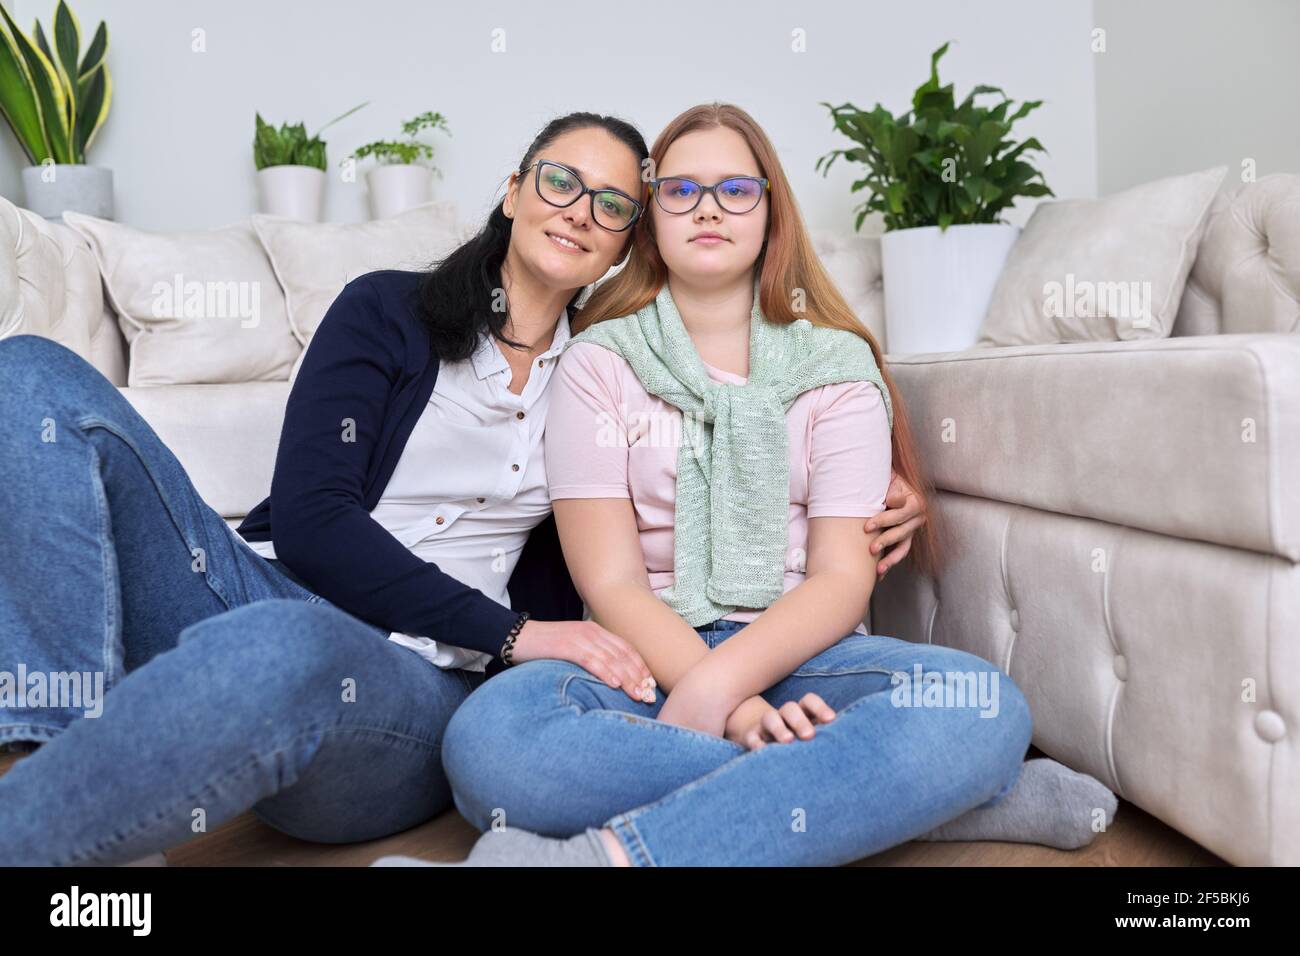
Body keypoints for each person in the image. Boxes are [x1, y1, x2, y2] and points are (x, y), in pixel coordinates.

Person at [0, 111, 928, 866]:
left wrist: (888, 490)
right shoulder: (385, 310)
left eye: (611, 204)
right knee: (31, 374)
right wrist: (517, 632)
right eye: (559, 180)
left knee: (289, 647)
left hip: (412, 692)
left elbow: (725, 462)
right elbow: (316, 522)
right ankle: (40, 756)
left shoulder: (612, 370)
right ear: (514, 191)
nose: (577, 210)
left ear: (624, 242)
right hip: (255, 593)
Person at [376, 103, 1117, 868]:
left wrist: (724, 685)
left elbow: (839, 576)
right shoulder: (599, 362)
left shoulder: (835, 366)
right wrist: (726, 703)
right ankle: (928, 805)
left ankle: (603, 859)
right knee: (491, 748)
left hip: (805, 653)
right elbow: (611, 579)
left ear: (771, 210)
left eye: (735, 190)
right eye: (681, 191)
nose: (707, 209)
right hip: (640, 659)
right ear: (650, 217)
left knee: (983, 707)